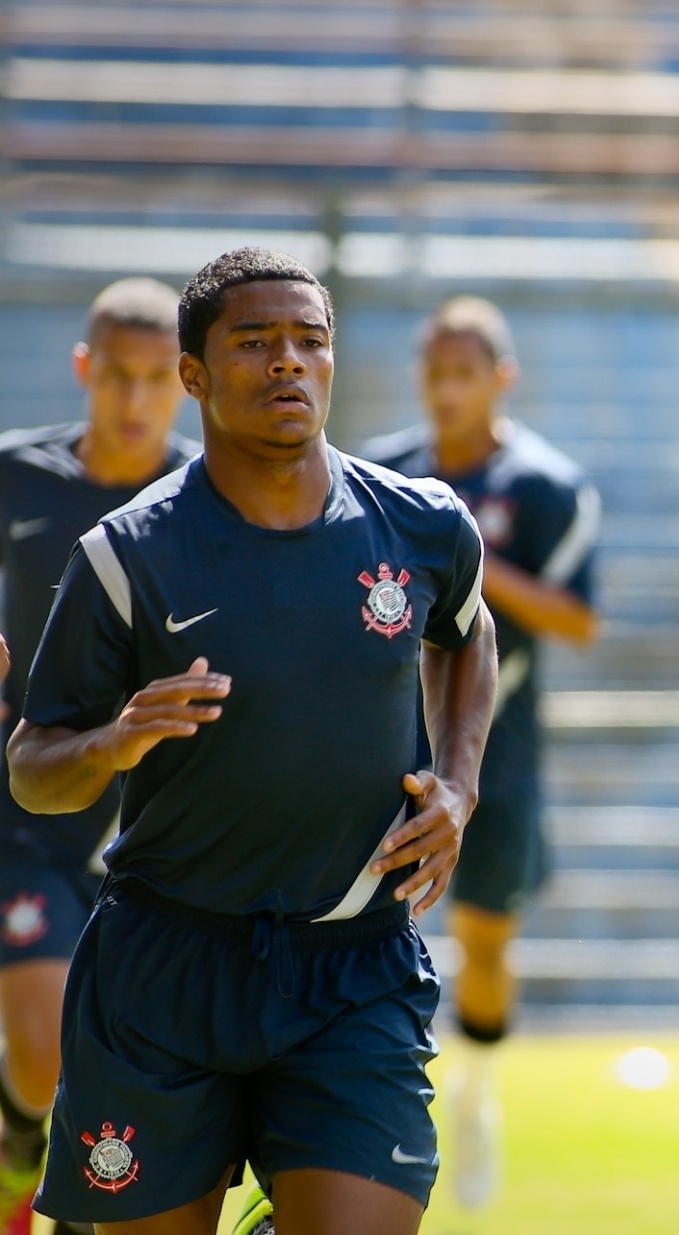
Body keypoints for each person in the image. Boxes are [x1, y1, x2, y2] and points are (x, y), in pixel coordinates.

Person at [8, 248, 497, 1235]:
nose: (288, 363)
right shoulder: (126, 556)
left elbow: (469, 629)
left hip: (351, 964)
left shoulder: (420, 524)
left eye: (309, 341)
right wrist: (110, 741)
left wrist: (458, 781)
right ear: (196, 373)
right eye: (256, 342)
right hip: (165, 966)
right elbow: (32, 766)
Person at [363, 295, 599, 1209]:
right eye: (435, 373)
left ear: (500, 378)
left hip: (499, 740)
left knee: (487, 939)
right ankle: (385, 1099)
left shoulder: (545, 485)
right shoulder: (384, 472)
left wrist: (462, 557)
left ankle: (477, 1094)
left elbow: (578, 616)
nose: (447, 391)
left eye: (465, 373)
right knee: (377, 922)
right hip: (385, 739)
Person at [0, 276, 194, 1235]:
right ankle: (13, 1129)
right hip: (30, 808)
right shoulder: (15, 477)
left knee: (117, 1077)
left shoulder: (208, 494)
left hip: (158, 825)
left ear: (185, 383)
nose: (135, 400)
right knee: (44, 1055)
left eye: (159, 379)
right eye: (117, 375)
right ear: (84, 367)